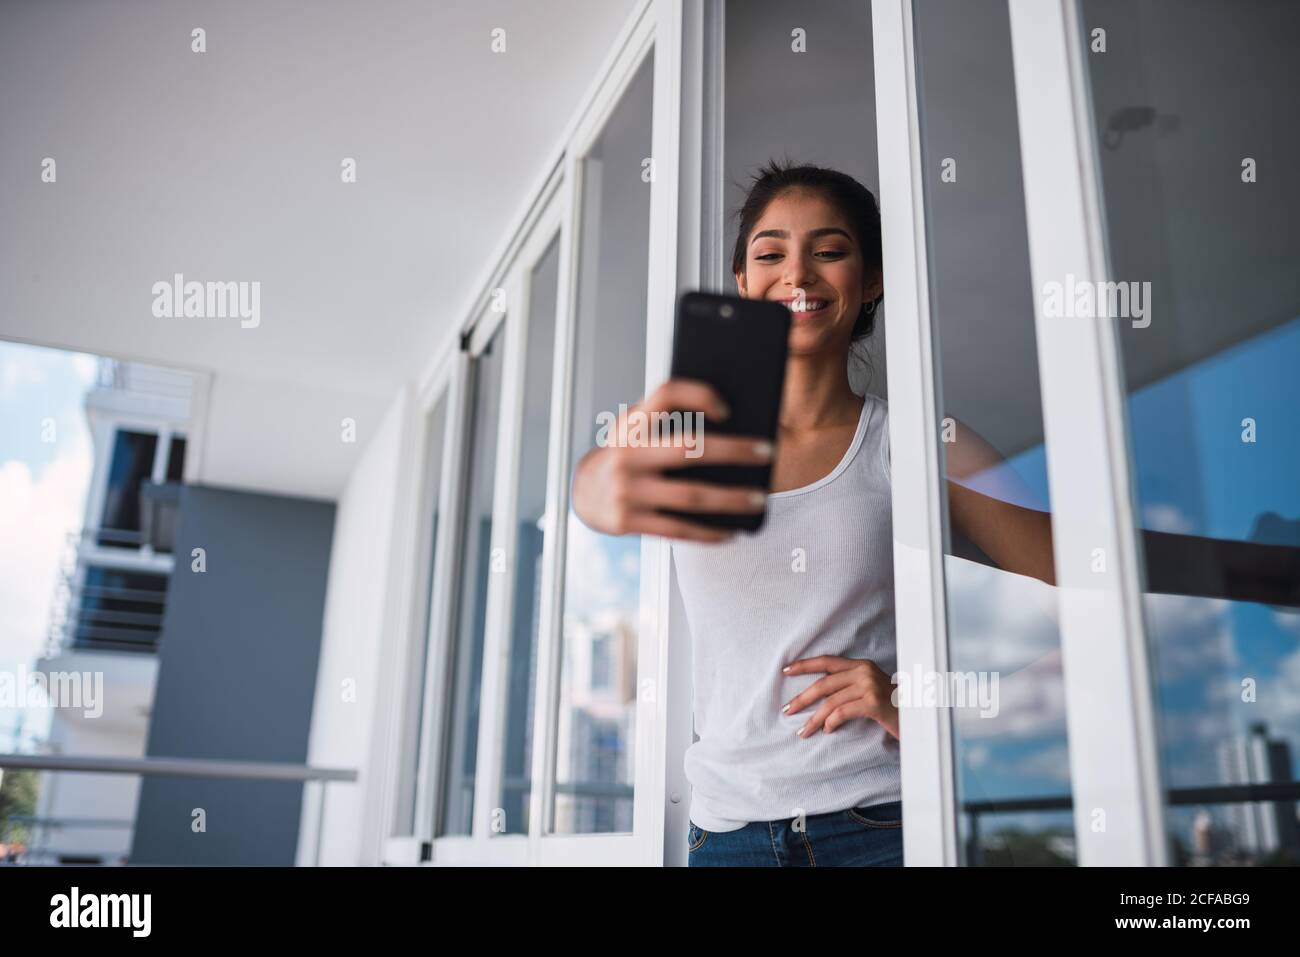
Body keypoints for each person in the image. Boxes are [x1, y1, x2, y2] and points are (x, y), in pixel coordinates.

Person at [570, 161, 1055, 866]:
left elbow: (1080, 589)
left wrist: (920, 701)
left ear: (873, 280)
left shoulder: (916, 439)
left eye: (829, 251)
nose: (798, 275)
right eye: (770, 254)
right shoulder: (693, 435)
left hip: (881, 825)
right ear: (743, 283)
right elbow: (591, 496)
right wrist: (600, 485)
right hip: (726, 834)